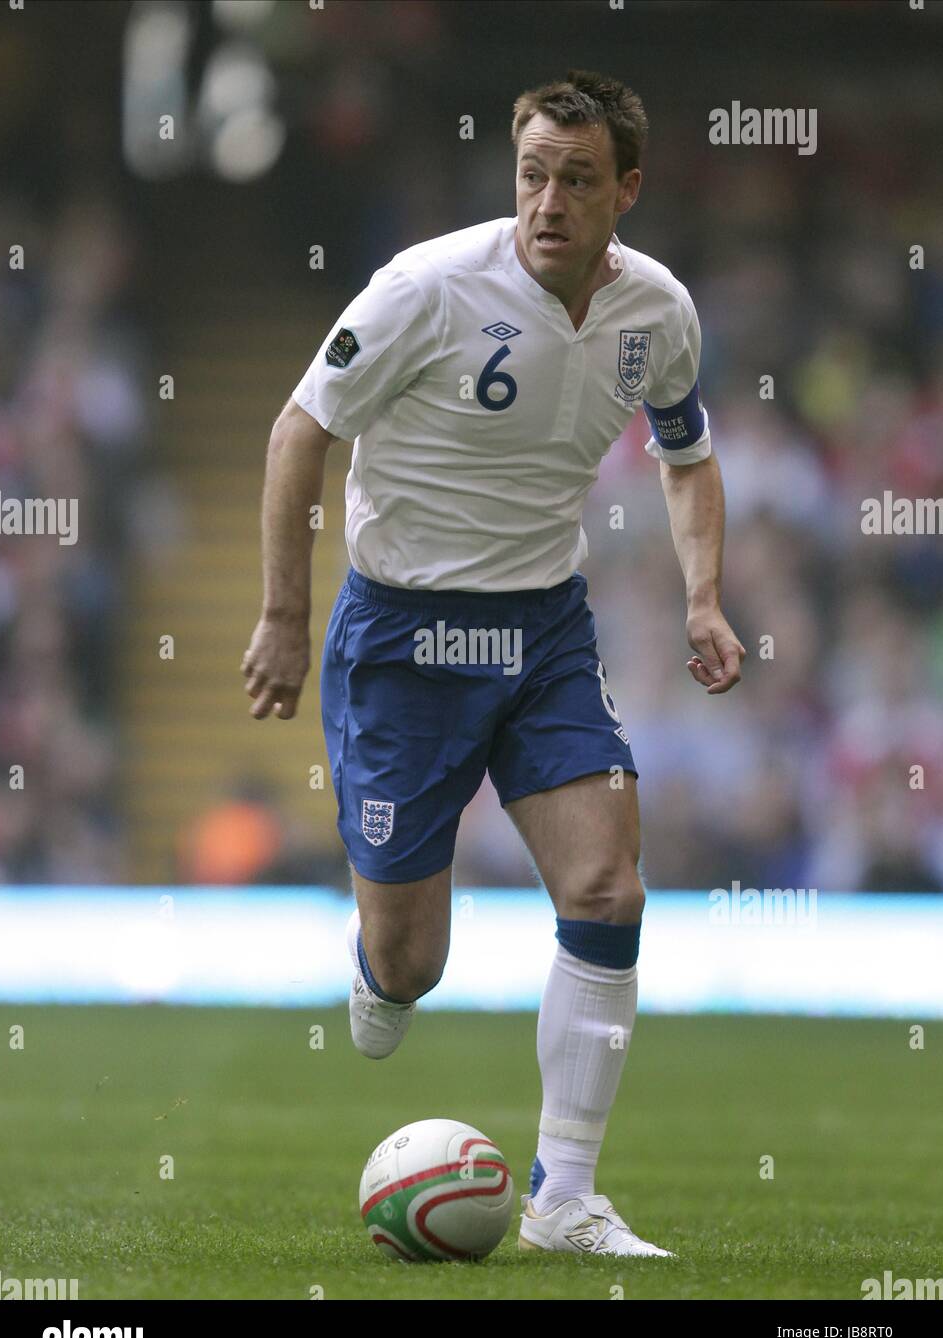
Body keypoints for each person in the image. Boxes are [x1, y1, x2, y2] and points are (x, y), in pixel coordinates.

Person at [241, 70, 745, 1257]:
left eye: (577, 179)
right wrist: (277, 614)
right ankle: (378, 961)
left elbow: (686, 450)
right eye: (532, 174)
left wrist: (707, 597)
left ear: (627, 188)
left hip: (542, 632)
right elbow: (299, 429)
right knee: (413, 968)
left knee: (608, 887)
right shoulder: (427, 288)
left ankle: (564, 1194)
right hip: (404, 639)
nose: (549, 202)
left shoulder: (658, 312)